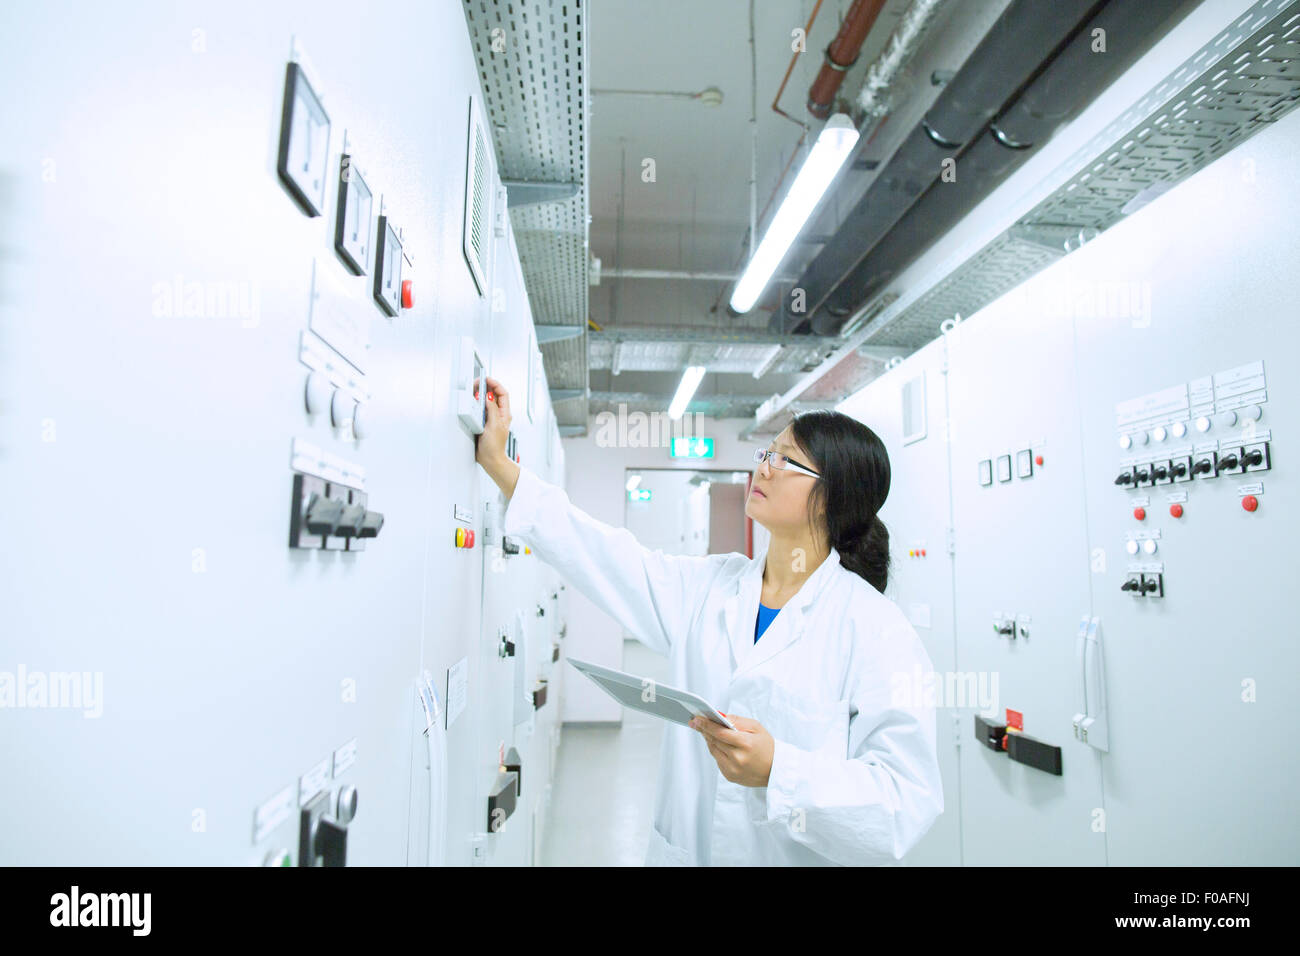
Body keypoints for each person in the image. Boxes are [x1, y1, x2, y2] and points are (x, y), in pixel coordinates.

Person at [476, 375, 943, 866]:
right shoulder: (711, 587)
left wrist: (779, 772)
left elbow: (902, 802)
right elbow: (605, 556)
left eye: (784, 460)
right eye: (767, 454)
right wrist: (499, 465)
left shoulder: (875, 629)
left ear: (831, 498)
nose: (762, 468)